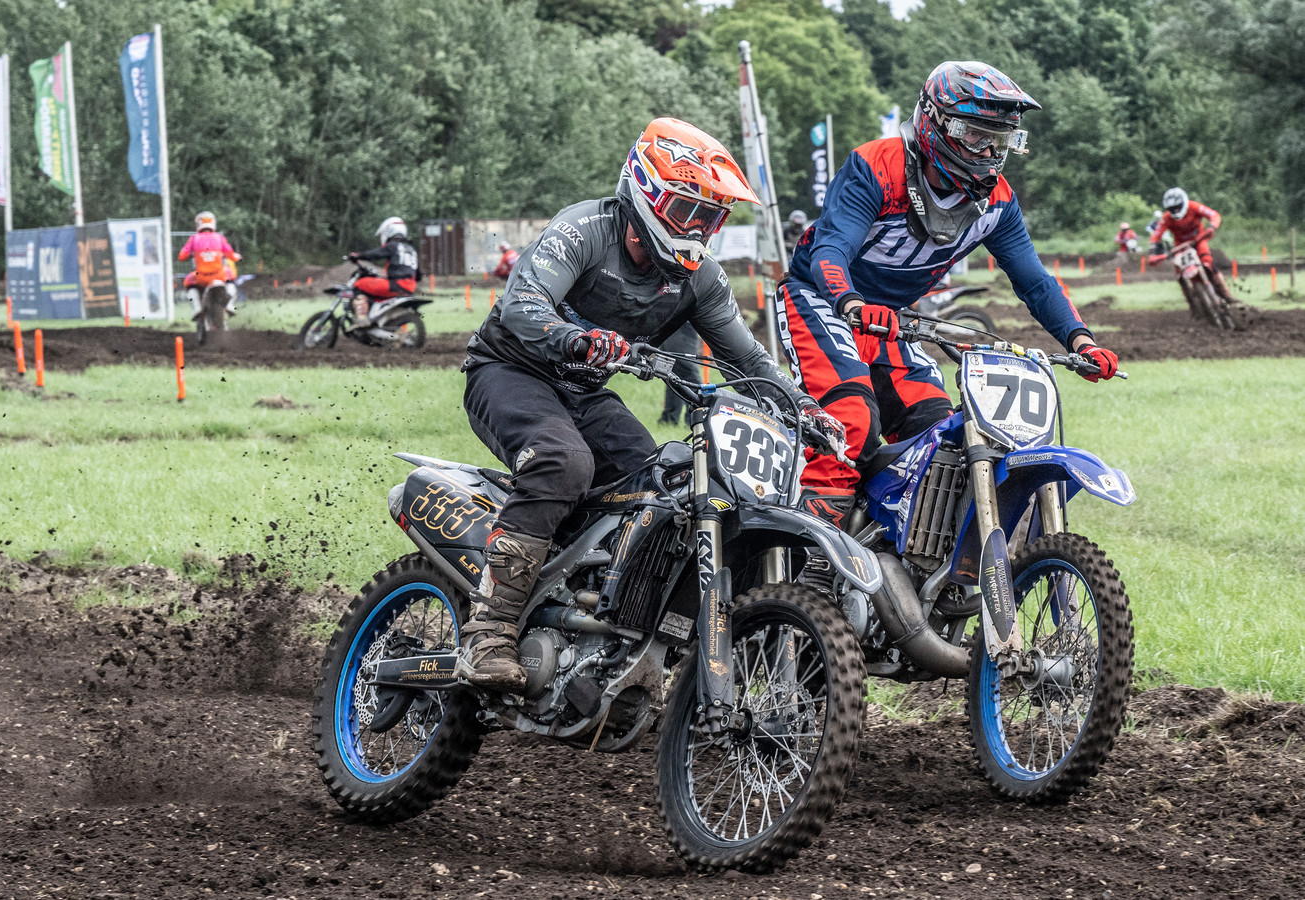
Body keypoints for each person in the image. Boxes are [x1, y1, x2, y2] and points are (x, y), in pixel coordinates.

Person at [458, 116, 845, 692]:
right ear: (647, 192)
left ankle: (603, 618)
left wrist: (804, 408)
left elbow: (750, 361)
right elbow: (523, 303)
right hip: (510, 370)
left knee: (667, 483)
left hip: (583, 391)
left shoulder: (701, 279)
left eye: (712, 217)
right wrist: (573, 337)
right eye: (691, 212)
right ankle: (488, 631)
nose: (701, 229)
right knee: (564, 464)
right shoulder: (585, 229)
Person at [774, 60, 1120, 528]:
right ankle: (806, 565)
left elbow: (1034, 281)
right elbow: (831, 248)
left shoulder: (997, 201)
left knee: (939, 433)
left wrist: (1081, 340)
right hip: (819, 299)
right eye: (977, 134)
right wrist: (850, 303)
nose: (989, 151)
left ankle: (896, 548)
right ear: (935, 121)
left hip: (892, 318)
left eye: (1000, 140)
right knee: (850, 421)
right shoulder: (877, 166)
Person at [1147, 187, 1235, 304]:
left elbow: (1213, 214)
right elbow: (1156, 235)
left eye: (1177, 207)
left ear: (1184, 202)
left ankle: (1226, 294)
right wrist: (1153, 252)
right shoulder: (1166, 218)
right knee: (1180, 275)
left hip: (1198, 241)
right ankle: (1192, 303)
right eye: (1172, 209)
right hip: (1180, 247)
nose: (1175, 211)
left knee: (1208, 264)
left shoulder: (1194, 206)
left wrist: (1212, 227)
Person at [346, 216, 419, 329]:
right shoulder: (411, 250)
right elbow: (418, 274)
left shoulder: (393, 245)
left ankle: (362, 319)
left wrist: (359, 255)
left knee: (359, 284)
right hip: (409, 288)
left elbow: (376, 254)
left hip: (395, 285)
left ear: (389, 230)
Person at [177, 211, 241, 319]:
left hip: (201, 277)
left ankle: (197, 307)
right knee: (231, 277)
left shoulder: (193, 239)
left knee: (188, 282)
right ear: (213, 223)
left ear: (198, 224)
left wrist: (192, 254)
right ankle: (230, 305)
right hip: (220, 275)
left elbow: (182, 256)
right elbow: (231, 254)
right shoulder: (219, 238)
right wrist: (238, 257)